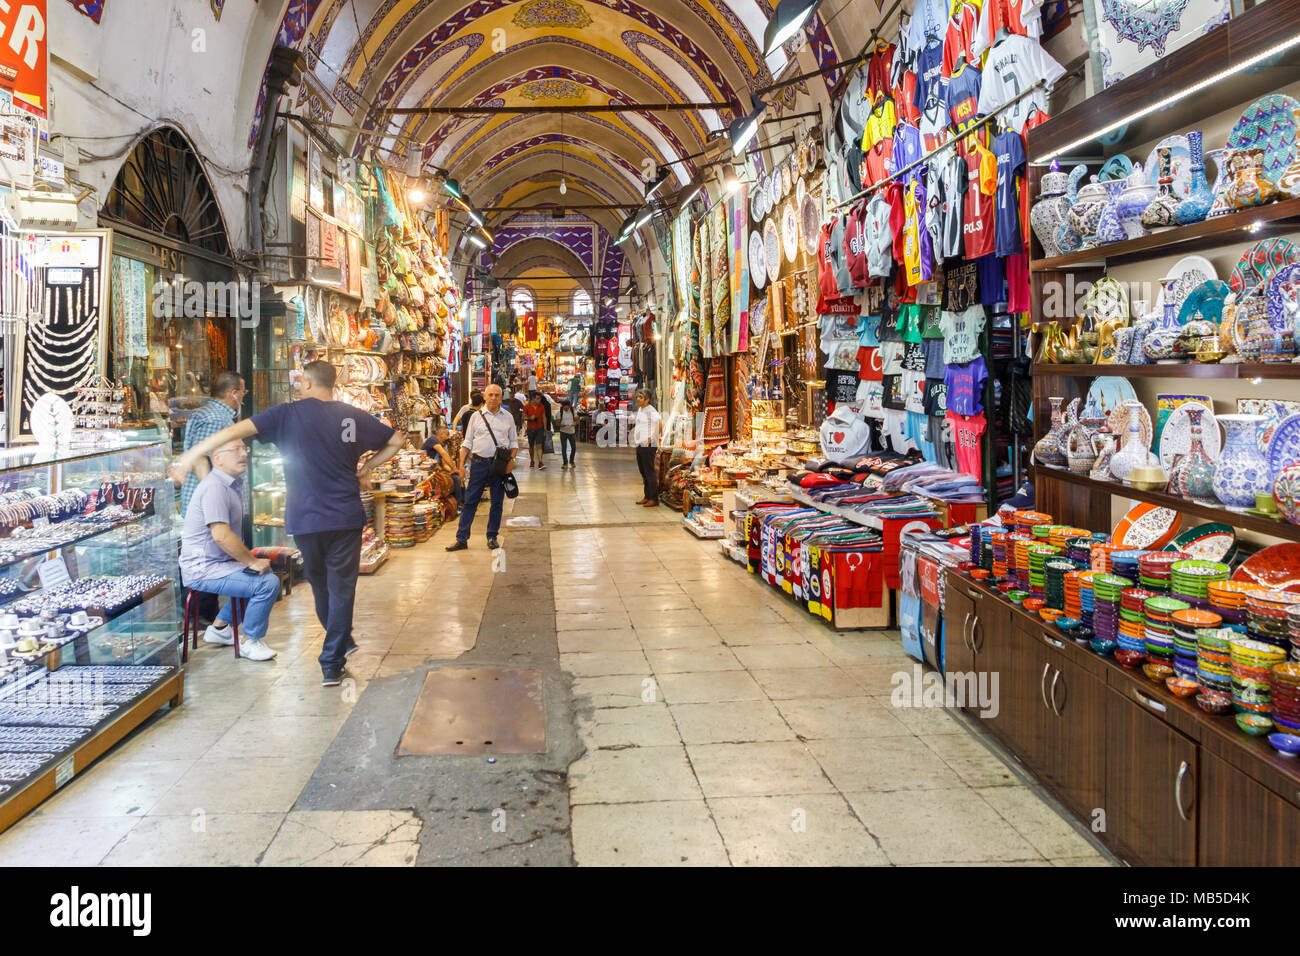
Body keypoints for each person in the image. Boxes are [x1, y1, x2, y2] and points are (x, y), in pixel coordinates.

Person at [172, 360, 405, 686]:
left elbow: (229, 433)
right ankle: (333, 661)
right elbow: (396, 441)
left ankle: (338, 644)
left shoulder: (286, 414)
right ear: (333, 383)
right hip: (344, 516)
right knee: (342, 589)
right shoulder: (351, 417)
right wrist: (367, 468)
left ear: (307, 383)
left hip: (306, 519)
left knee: (321, 586)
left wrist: (189, 456)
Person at [179, 438, 281, 661]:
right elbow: (221, 535)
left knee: (263, 574)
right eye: (236, 449)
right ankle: (251, 640)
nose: (244, 454)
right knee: (267, 583)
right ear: (217, 458)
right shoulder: (215, 487)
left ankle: (220, 628)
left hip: (220, 564)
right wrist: (252, 561)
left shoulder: (230, 484)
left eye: (244, 448)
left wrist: (252, 564)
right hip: (204, 569)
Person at [447, 383, 517, 551]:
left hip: (499, 465)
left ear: (501, 398)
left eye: (497, 395)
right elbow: (467, 442)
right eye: (490, 395)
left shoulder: (507, 417)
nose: (493, 398)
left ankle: (492, 536)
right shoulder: (475, 417)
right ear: (485, 397)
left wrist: (511, 462)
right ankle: (462, 539)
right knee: (470, 501)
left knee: (497, 502)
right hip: (478, 464)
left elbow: (513, 442)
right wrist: (461, 465)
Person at [180, 371, 246, 517]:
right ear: (234, 393)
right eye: (243, 392)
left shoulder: (213, 414)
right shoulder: (215, 419)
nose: (243, 396)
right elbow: (200, 459)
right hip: (208, 510)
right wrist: (214, 503)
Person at [632, 388, 662, 507]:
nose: (638, 399)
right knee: (643, 471)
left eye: (641, 397)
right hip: (640, 444)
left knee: (649, 471)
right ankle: (647, 496)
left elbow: (660, 424)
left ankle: (654, 498)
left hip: (648, 446)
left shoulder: (651, 411)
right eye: (638, 396)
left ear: (647, 400)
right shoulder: (641, 409)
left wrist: (652, 438)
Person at [423, 425, 463, 505]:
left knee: (457, 477)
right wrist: (454, 468)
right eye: (447, 434)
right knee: (456, 479)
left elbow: (444, 465)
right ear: (441, 434)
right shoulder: (433, 440)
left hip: (437, 471)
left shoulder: (439, 444)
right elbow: (443, 454)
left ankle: (461, 503)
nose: (448, 437)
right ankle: (459, 504)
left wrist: (454, 471)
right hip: (429, 472)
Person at [523, 391, 548, 469]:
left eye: (540, 398)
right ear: (533, 399)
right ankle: (532, 460)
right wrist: (530, 418)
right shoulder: (527, 406)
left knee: (539, 446)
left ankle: (540, 462)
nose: (539, 400)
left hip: (539, 429)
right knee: (531, 446)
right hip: (530, 429)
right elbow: (523, 417)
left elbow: (544, 417)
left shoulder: (541, 406)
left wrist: (545, 429)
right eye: (537, 398)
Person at [557, 398, 577, 469]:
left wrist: (575, 423)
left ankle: (571, 461)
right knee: (564, 448)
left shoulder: (573, 411)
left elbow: (576, 420)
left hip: (572, 432)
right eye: (564, 406)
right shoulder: (560, 412)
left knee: (574, 447)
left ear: (569, 406)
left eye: (567, 406)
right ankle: (565, 463)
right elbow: (557, 423)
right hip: (563, 432)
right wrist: (561, 425)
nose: (566, 408)